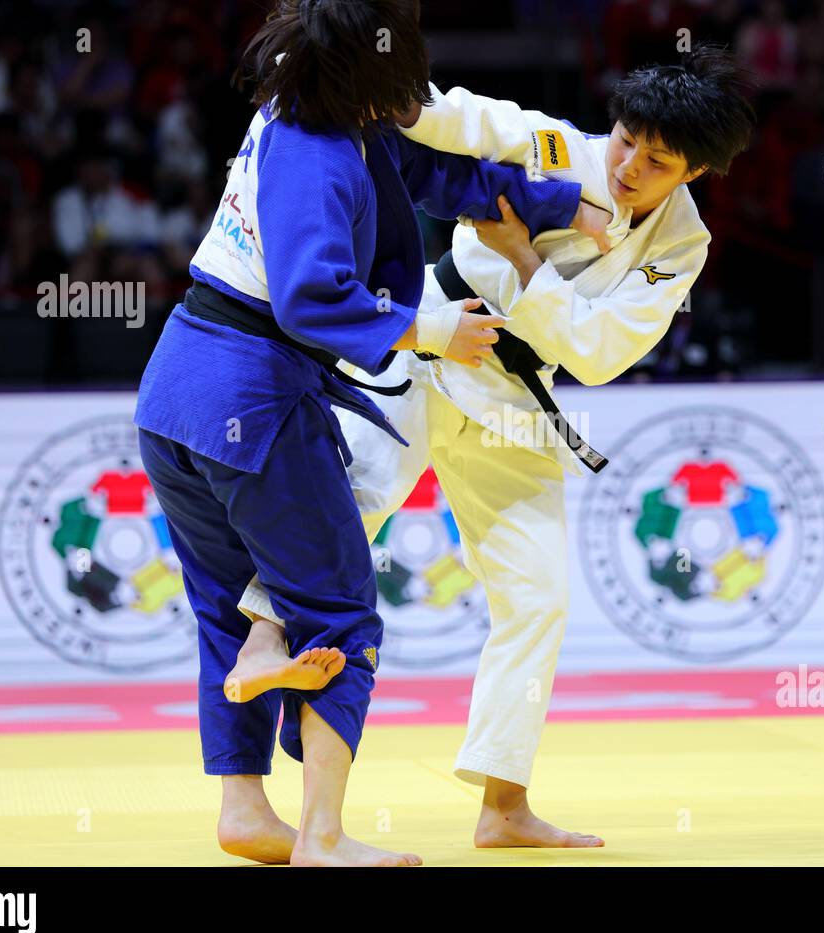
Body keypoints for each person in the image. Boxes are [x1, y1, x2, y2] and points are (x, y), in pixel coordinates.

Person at [237, 43, 756, 849]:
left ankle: (503, 806)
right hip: (430, 342)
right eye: (626, 140)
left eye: (656, 162)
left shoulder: (681, 248)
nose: (627, 165)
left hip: (514, 391)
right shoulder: (562, 152)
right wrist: (394, 102)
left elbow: (596, 353)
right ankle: (263, 642)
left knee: (538, 594)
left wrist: (523, 257)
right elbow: (474, 119)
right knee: (347, 503)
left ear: (693, 175)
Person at [133, 0, 589, 867]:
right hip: (249, 396)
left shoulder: (308, 109)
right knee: (339, 610)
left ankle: (244, 810)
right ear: (367, 76)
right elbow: (311, 296)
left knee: (233, 608)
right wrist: (428, 329)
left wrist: (569, 200)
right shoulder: (319, 156)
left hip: (176, 391)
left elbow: (437, 177)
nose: (411, 92)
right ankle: (323, 837)